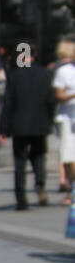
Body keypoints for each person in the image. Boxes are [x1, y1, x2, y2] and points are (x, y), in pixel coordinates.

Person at [0, 51, 56, 210]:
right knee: (39, 156)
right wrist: (50, 121)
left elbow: (8, 102)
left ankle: (21, 197)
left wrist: (3, 128)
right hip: (40, 123)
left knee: (19, 161)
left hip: (19, 125)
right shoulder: (46, 74)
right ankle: (40, 185)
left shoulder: (14, 75)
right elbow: (51, 100)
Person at [53, 40, 75, 206]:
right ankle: (71, 187)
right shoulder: (63, 71)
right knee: (68, 158)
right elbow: (59, 96)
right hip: (67, 119)